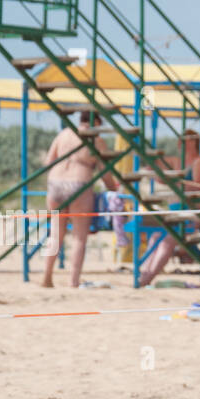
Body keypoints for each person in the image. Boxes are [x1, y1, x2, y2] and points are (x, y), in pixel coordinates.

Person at [43, 111, 118, 288]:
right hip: (79, 183)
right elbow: (105, 172)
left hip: (55, 183)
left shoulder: (63, 134)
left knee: (56, 233)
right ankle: (73, 280)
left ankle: (47, 276)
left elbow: (48, 162)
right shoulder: (96, 140)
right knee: (79, 236)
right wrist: (113, 189)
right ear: (96, 122)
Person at [137, 131, 200, 287]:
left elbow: (196, 189)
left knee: (167, 240)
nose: (180, 144)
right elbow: (162, 175)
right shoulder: (177, 161)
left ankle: (148, 277)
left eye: (184, 141)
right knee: (156, 236)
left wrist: (173, 182)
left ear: (193, 142)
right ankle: (144, 272)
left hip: (190, 211)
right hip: (176, 209)